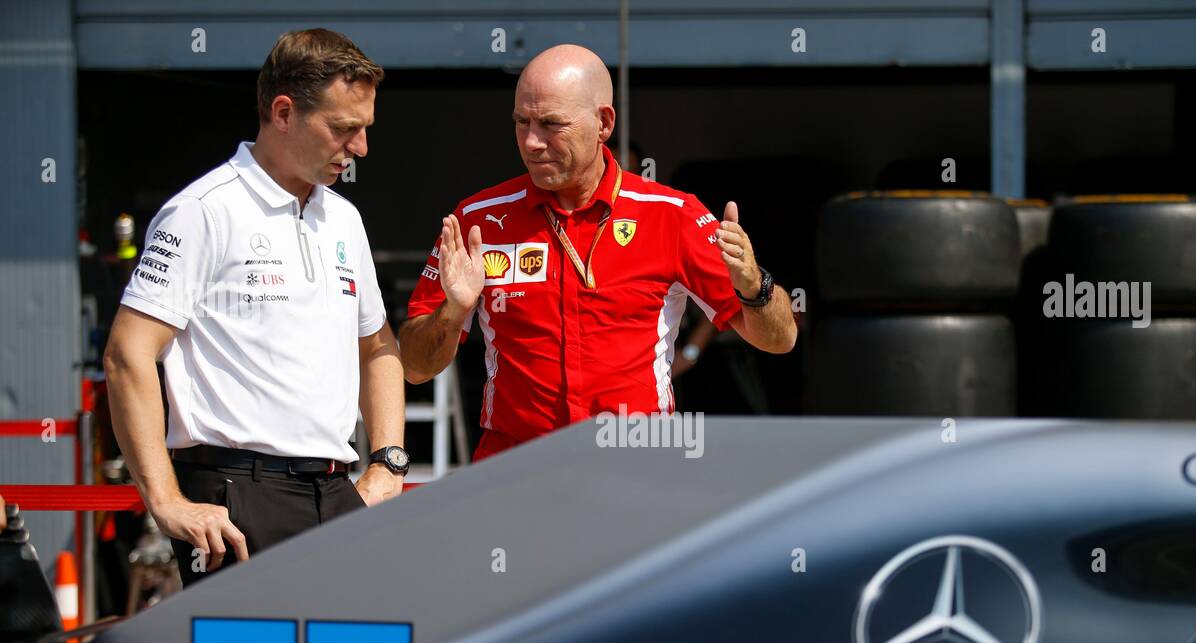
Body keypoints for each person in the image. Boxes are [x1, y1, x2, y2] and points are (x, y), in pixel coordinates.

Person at [103, 29, 408, 586]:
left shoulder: (343, 217)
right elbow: (128, 355)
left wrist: (388, 464)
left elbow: (378, 345)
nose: (361, 147)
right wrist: (166, 500)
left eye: (365, 128)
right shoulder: (201, 211)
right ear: (284, 112)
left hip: (337, 493)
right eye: (344, 128)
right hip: (238, 497)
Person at [399, 44, 797, 461]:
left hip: (635, 462)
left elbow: (780, 339)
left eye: (551, 124)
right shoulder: (478, 219)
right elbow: (415, 366)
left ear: (603, 123)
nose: (532, 142)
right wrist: (453, 311)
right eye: (522, 123)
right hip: (515, 468)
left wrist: (755, 285)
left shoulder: (672, 215)